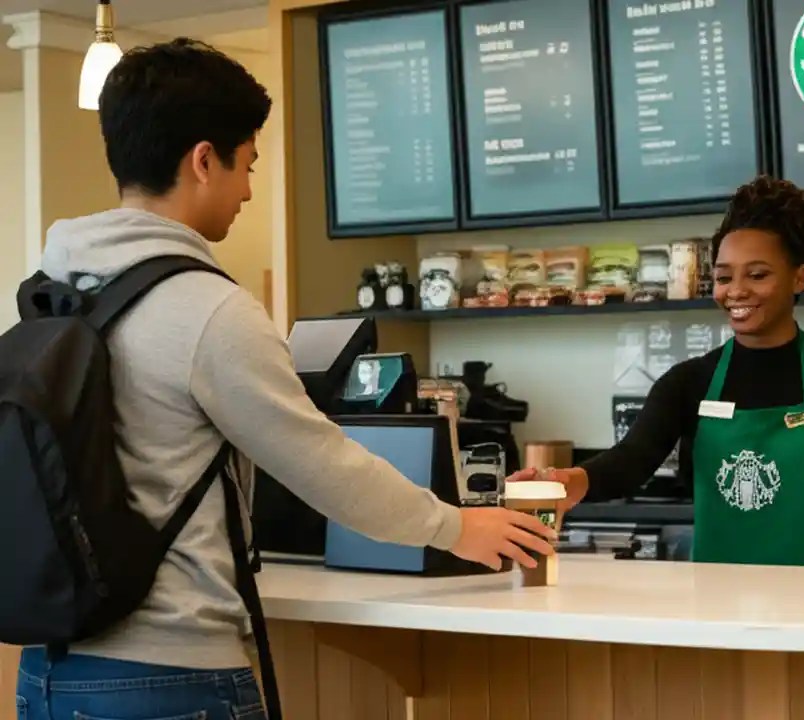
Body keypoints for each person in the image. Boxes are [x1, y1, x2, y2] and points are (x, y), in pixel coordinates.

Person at [14, 38, 554, 720]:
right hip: (169, 676)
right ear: (204, 160)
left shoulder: (57, 287)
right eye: (248, 165)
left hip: (48, 675)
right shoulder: (208, 309)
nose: (246, 190)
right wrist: (456, 527)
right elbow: (323, 466)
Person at [513, 175, 804, 568]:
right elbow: (632, 460)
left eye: (758, 274)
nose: (736, 290)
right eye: (724, 277)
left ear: (799, 277)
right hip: (718, 604)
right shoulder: (689, 382)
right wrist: (565, 482)